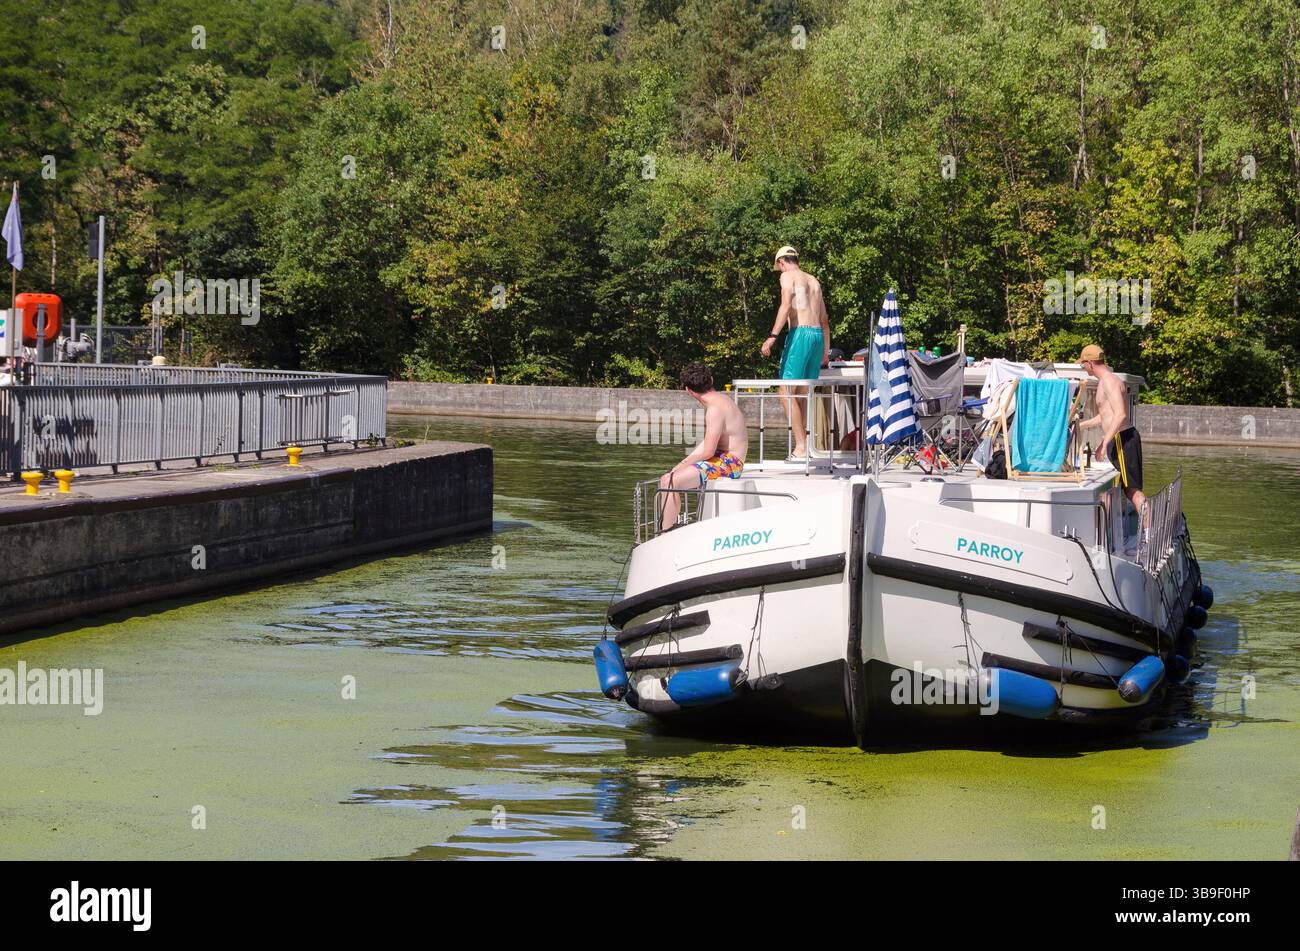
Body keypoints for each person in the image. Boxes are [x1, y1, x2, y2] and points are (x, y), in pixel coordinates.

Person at [658, 362, 748, 532]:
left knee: (670, 481)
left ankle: (666, 533)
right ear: (711, 380)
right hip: (725, 458)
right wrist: (683, 463)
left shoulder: (714, 409)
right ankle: (668, 528)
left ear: (689, 391)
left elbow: (708, 451)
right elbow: (708, 444)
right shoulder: (721, 399)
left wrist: (682, 466)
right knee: (668, 478)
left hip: (730, 463)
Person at [760, 245, 830, 459]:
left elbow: (785, 306)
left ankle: (801, 446)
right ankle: (805, 446)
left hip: (800, 334)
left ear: (782, 262)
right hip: (817, 337)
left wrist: (772, 337)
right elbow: (825, 322)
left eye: (779, 267)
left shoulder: (788, 277)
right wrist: (825, 352)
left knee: (785, 392)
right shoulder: (814, 281)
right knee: (801, 393)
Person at [1077, 344, 1145, 521]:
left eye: (1083, 364)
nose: (1083, 368)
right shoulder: (1103, 383)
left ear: (1090, 363)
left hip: (1124, 439)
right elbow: (1105, 416)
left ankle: (1148, 534)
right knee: (1127, 490)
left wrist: (1104, 442)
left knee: (1134, 491)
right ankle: (1145, 531)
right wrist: (1080, 425)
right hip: (1117, 440)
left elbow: (1121, 414)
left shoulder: (1109, 381)